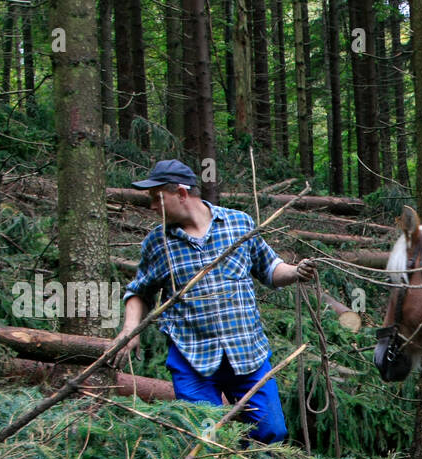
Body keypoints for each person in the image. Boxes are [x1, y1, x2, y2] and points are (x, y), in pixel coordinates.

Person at [118, 159, 315, 444]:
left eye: (157, 198)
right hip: (193, 360)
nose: (152, 207)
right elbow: (139, 291)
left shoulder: (238, 224)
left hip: (247, 354)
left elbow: (271, 269)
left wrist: (296, 272)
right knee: (203, 439)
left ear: (182, 193)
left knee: (270, 433)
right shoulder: (157, 243)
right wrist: (129, 331)